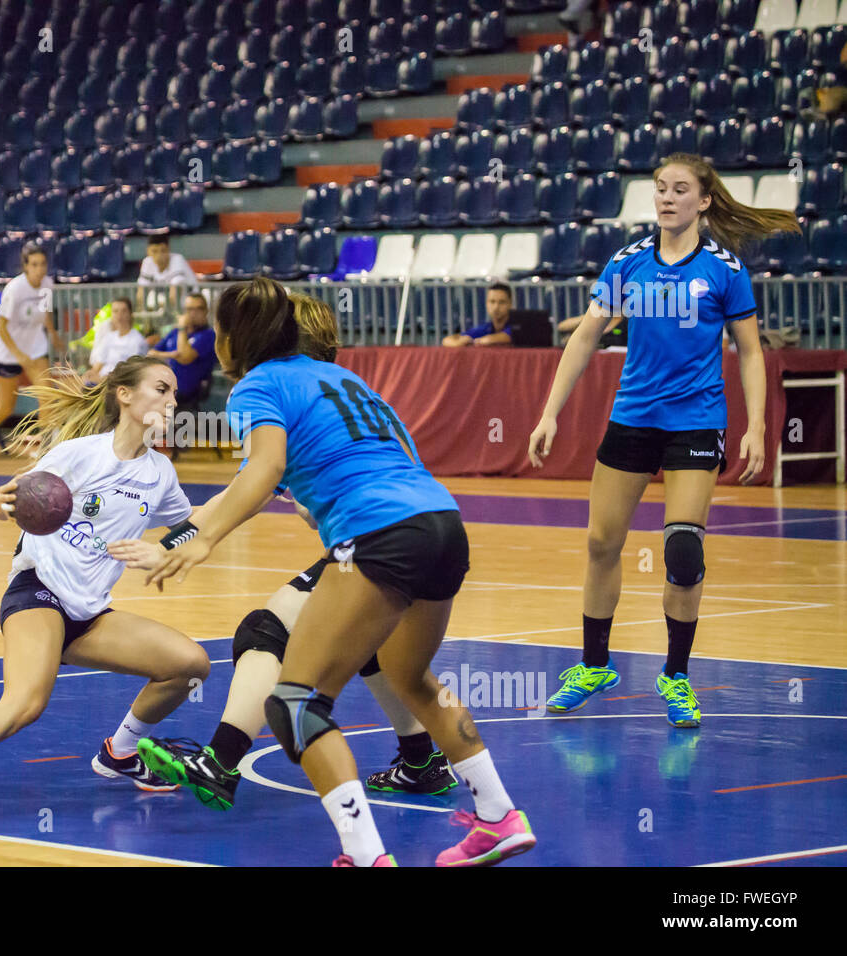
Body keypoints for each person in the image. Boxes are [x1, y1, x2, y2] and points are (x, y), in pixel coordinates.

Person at [140, 277, 535, 867]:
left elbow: (265, 467)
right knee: (412, 678)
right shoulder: (344, 380)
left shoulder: (255, 386)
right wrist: (187, 529)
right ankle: (499, 815)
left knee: (294, 703)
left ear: (230, 340)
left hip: (377, 536)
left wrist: (206, 541)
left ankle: (367, 854)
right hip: (441, 523)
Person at [111, 294, 457, 812]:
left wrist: (187, 541)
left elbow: (248, 492)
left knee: (268, 635)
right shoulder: (342, 393)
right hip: (435, 533)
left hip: (375, 543)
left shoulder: (280, 395)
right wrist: (171, 540)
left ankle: (223, 760)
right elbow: (236, 497)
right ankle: (429, 765)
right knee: (379, 654)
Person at [527, 153, 799, 728]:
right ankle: (594, 665)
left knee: (682, 550)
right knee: (602, 545)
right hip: (633, 417)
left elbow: (750, 351)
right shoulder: (627, 263)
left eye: (680, 189)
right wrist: (549, 413)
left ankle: (675, 676)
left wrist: (756, 425)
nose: (667, 197)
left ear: (703, 201)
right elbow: (585, 339)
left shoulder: (724, 269)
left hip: (697, 421)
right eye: (660, 188)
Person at [0, 355, 210, 824]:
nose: (173, 400)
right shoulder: (79, 453)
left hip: (88, 612)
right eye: (161, 388)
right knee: (25, 703)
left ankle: (121, 753)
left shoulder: (160, 472)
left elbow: (192, 526)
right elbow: (14, 502)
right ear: (124, 395)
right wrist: (0, 505)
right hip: (37, 592)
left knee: (189, 665)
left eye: (175, 393)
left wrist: (167, 548)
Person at [0, 242, 63, 465]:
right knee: (5, 407)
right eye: (34, 265)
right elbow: (0, 326)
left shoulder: (48, 284)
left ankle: (47, 450)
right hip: (8, 352)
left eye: (42, 264)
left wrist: (53, 334)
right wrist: (18, 354)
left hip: (36, 347)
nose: (39, 269)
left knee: (47, 397)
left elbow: (46, 312)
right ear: (26, 266)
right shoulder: (15, 289)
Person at [84, 298, 147, 386]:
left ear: (130, 314)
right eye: (115, 311)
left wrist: (104, 379)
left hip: (119, 384)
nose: (119, 315)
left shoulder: (137, 340)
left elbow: (132, 372)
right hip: (101, 382)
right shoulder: (109, 337)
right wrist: (90, 374)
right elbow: (98, 364)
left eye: (123, 311)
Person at [136, 235, 198, 315]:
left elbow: (174, 296)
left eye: (163, 251)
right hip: (166, 308)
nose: (159, 255)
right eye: (154, 251)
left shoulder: (177, 260)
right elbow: (140, 294)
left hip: (190, 307)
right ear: (148, 251)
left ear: (169, 250)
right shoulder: (147, 262)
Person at [442, 283, 515, 347]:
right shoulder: (486, 328)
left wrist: (482, 341)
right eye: (492, 302)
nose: (496, 307)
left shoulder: (517, 326)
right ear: (486, 304)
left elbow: (507, 337)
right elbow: (447, 340)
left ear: (510, 304)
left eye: (502, 302)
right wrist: (459, 343)